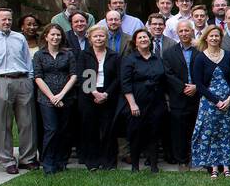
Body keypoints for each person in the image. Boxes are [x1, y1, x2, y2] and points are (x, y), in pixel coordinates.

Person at [0, 7, 37, 174]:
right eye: (3, 19)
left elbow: (28, 60)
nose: (7, 22)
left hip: (23, 80)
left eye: (9, 19)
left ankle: (27, 158)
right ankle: (7, 160)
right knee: (3, 124)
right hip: (1, 82)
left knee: (27, 122)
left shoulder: (19, 38)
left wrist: (30, 80)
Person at [190, 25, 230, 178]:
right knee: (210, 133)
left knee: (227, 133)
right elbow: (199, 84)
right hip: (209, 104)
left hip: (228, 103)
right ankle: (214, 166)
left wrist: (229, 98)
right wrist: (216, 101)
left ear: (220, 38)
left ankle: (227, 165)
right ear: (206, 38)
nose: (214, 38)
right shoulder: (200, 58)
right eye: (211, 36)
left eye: (217, 36)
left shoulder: (229, 56)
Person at [32, 24, 77, 174]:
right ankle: (48, 163)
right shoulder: (39, 55)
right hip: (46, 99)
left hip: (66, 97)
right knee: (51, 130)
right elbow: (38, 77)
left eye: (58, 35)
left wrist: (61, 95)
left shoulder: (68, 54)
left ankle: (61, 161)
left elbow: (74, 75)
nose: (55, 37)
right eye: (52, 34)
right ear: (46, 36)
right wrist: (52, 97)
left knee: (64, 130)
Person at [121, 29, 167, 172]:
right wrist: (132, 104)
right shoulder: (129, 60)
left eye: (145, 37)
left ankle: (154, 165)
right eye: (140, 38)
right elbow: (125, 83)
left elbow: (163, 79)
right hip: (137, 103)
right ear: (135, 42)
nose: (143, 40)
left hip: (156, 102)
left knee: (154, 134)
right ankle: (135, 166)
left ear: (150, 40)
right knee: (136, 134)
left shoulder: (157, 58)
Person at [76, 26, 121, 170]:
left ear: (106, 38)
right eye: (95, 36)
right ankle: (92, 162)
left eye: (101, 36)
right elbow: (83, 76)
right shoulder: (85, 55)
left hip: (108, 95)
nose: (99, 39)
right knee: (90, 129)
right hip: (89, 95)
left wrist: (106, 94)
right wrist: (94, 93)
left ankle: (109, 162)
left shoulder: (114, 55)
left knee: (108, 130)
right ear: (90, 39)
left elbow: (117, 78)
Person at [163, 19, 201, 171]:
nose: (184, 33)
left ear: (192, 31)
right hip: (178, 97)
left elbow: (207, 71)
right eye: (181, 31)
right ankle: (182, 160)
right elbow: (168, 74)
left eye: (187, 30)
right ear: (177, 33)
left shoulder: (200, 50)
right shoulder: (169, 53)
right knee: (179, 130)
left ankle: (197, 158)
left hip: (198, 95)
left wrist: (197, 87)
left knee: (197, 128)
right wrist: (184, 87)